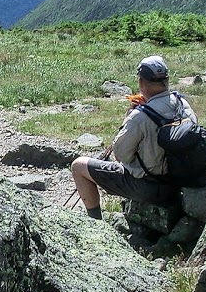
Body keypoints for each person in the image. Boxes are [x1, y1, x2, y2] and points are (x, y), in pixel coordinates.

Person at [69, 56, 198, 219]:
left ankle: (96, 224)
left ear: (141, 82)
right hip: (184, 182)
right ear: (166, 80)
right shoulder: (183, 104)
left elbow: (121, 155)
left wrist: (128, 116)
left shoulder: (139, 116)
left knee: (78, 166)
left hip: (152, 188)